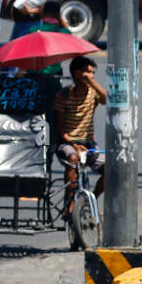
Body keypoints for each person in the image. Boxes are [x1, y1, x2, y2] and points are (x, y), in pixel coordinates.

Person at [54, 56, 107, 217]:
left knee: (111, 168)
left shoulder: (93, 94)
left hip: (89, 144)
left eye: (92, 73)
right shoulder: (63, 95)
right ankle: (69, 203)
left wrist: (92, 82)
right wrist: (74, 144)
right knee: (72, 159)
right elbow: (59, 128)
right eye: (87, 72)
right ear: (77, 73)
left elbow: (106, 99)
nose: (91, 75)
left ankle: (91, 200)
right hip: (68, 143)